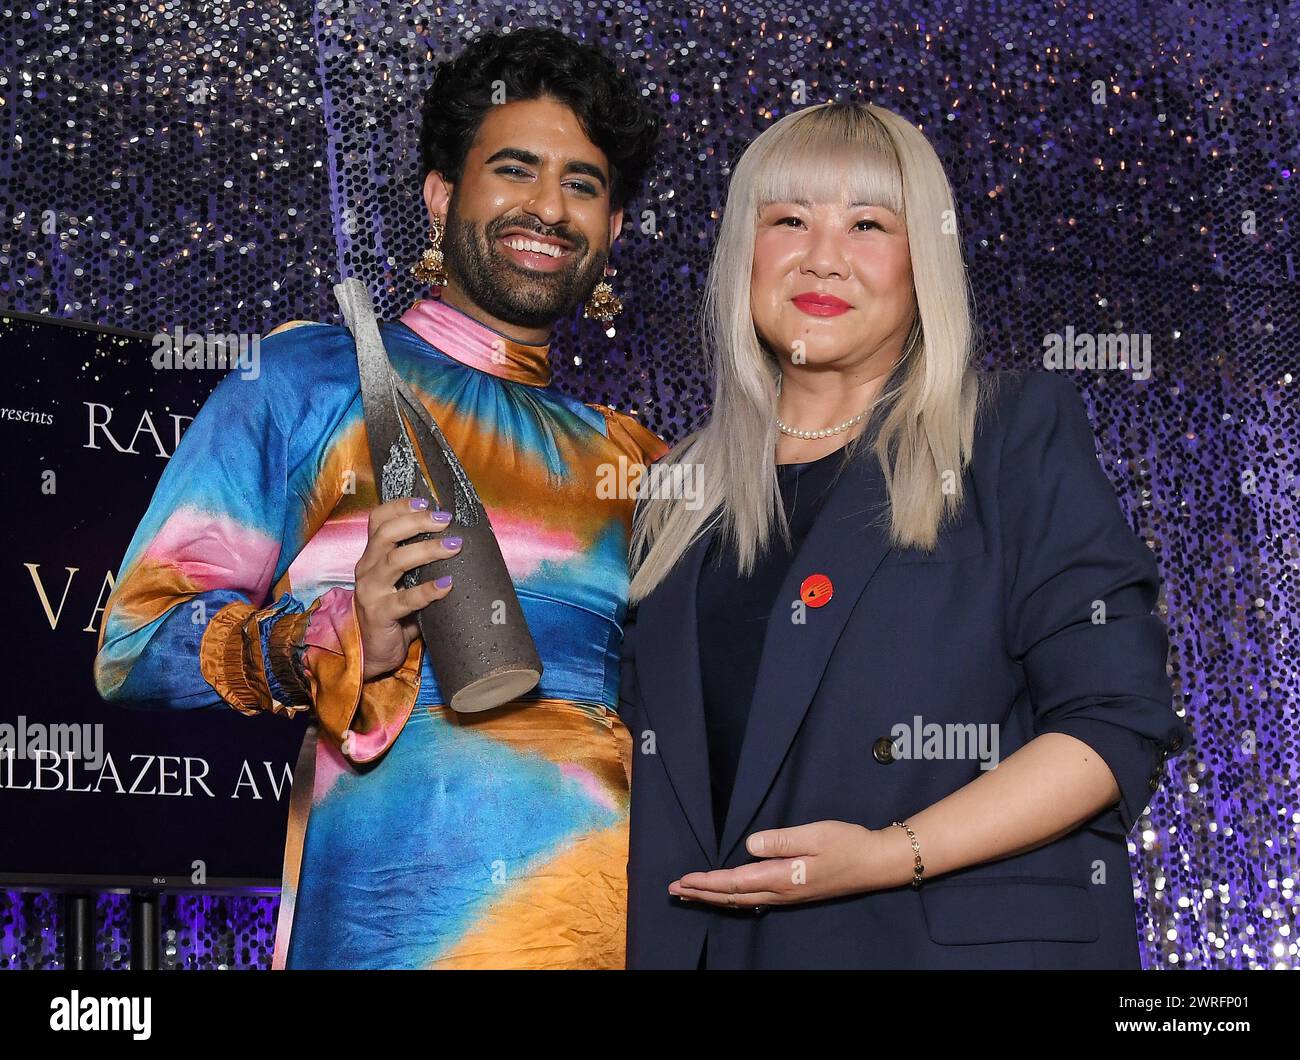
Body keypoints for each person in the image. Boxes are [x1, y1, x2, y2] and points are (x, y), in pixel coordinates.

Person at [93, 27, 665, 969]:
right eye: (514, 169)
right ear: (443, 195)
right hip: (385, 928)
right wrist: (325, 638)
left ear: (611, 231)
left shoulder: (634, 457)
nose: (548, 207)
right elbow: (134, 644)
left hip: (599, 925)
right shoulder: (310, 379)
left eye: (583, 183)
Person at [619, 101, 1191, 969]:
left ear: (923, 261)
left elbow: (1115, 723)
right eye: (788, 220)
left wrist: (893, 853)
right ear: (745, 254)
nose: (823, 256)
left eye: (867, 224)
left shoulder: (1008, 434)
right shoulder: (673, 494)